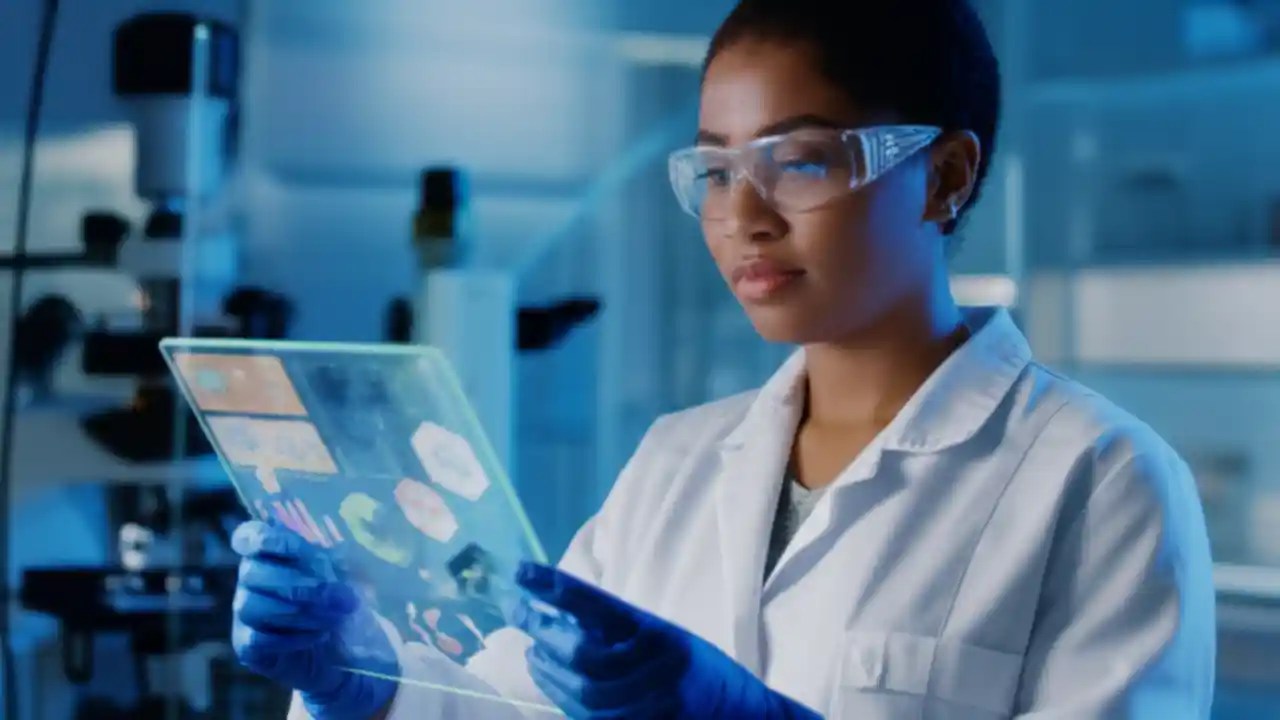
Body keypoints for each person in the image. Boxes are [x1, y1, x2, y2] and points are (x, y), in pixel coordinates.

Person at [231, 0, 1217, 717]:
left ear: (943, 177)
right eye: (713, 169)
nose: (741, 216)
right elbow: (520, 705)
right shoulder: (677, 460)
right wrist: (363, 680)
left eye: (799, 160)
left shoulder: (1098, 480)